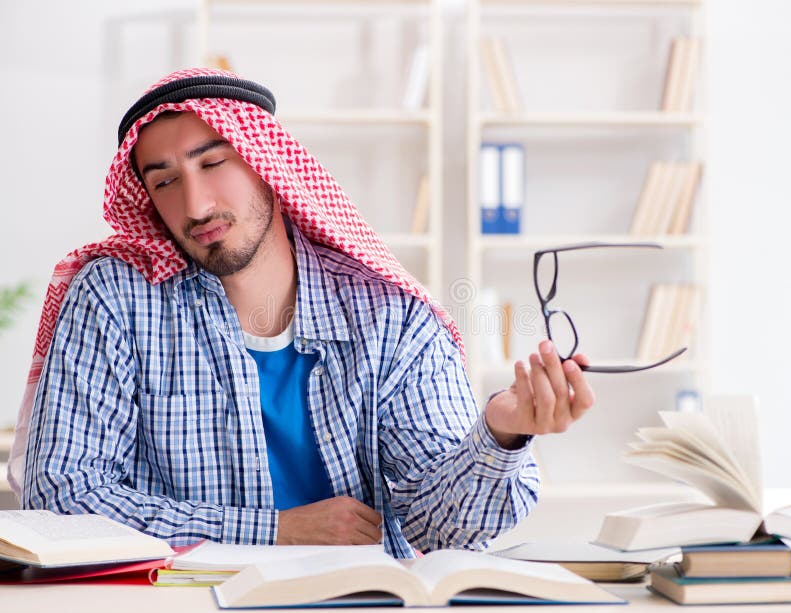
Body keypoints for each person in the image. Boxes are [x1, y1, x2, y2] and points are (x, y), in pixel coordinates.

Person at [11, 68, 594, 557]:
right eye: (164, 181)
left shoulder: (390, 317)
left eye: (213, 163)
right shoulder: (114, 298)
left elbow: (438, 527)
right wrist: (276, 531)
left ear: (267, 161)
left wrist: (500, 433)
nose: (195, 204)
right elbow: (61, 491)